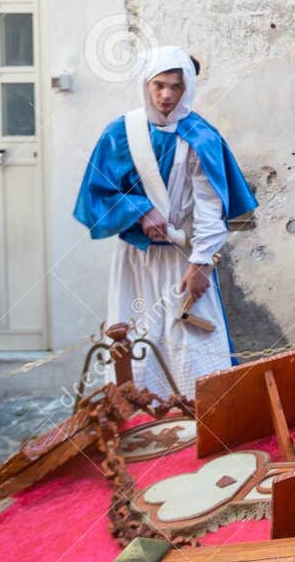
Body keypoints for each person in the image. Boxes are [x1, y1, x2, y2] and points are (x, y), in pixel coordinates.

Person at [73, 47, 256, 397]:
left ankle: (202, 424)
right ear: (145, 84)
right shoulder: (120, 133)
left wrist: (201, 262)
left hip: (182, 260)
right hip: (135, 262)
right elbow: (96, 195)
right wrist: (140, 210)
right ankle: (144, 427)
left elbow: (209, 206)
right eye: (158, 85)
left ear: (188, 87)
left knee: (194, 344)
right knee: (136, 339)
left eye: (176, 86)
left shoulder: (201, 136)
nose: (166, 95)